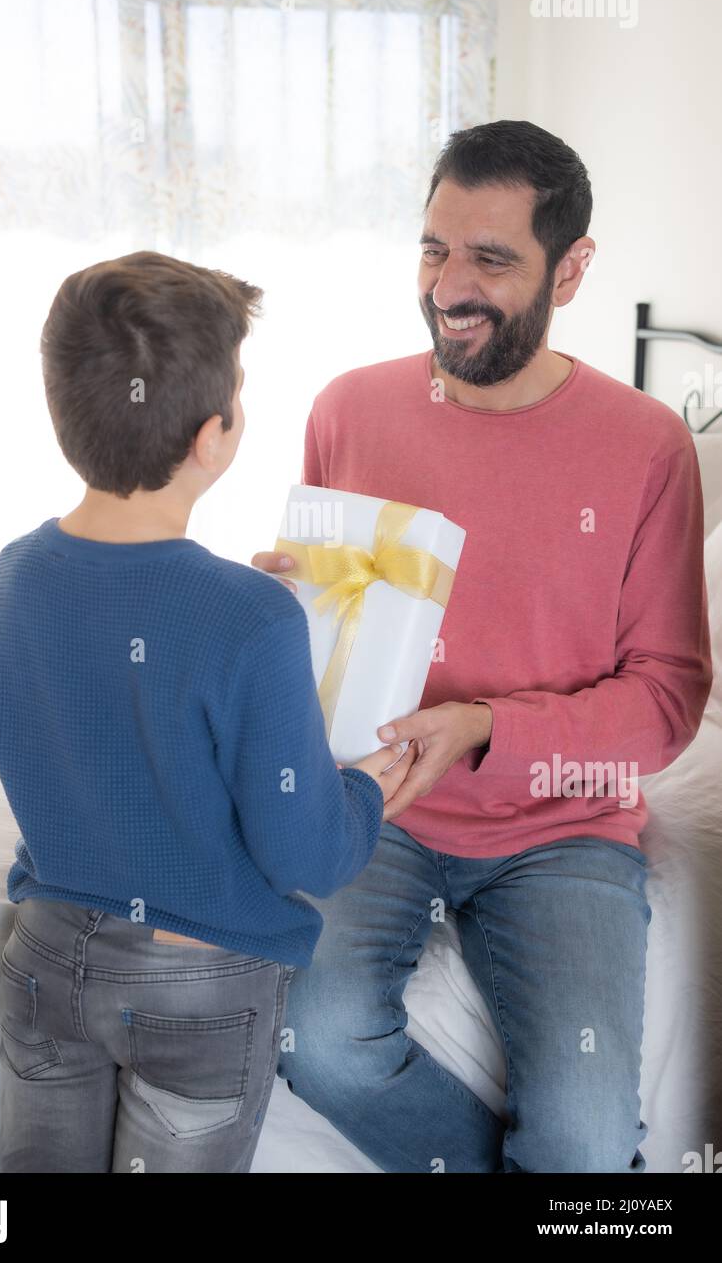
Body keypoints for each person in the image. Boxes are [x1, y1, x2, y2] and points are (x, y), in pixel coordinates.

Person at [253, 120, 712, 1173]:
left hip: (563, 825)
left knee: (589, 1147)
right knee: (313, 1039)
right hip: (371, 798)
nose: (448, 287)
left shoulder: (644, 444)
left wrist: (483, 729)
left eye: (490, 259)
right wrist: (285, 604)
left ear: (572, 268)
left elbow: (666, 700)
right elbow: (331, 627)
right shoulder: (349, 406)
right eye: (432, 249)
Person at [0, 250, 417, 1173]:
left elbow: (67, 728)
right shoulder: (247, 618)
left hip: (44, 957)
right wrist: (368, 794)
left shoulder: (12, 575)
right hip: (196, 988)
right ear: (214, 435)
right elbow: (305, 852)